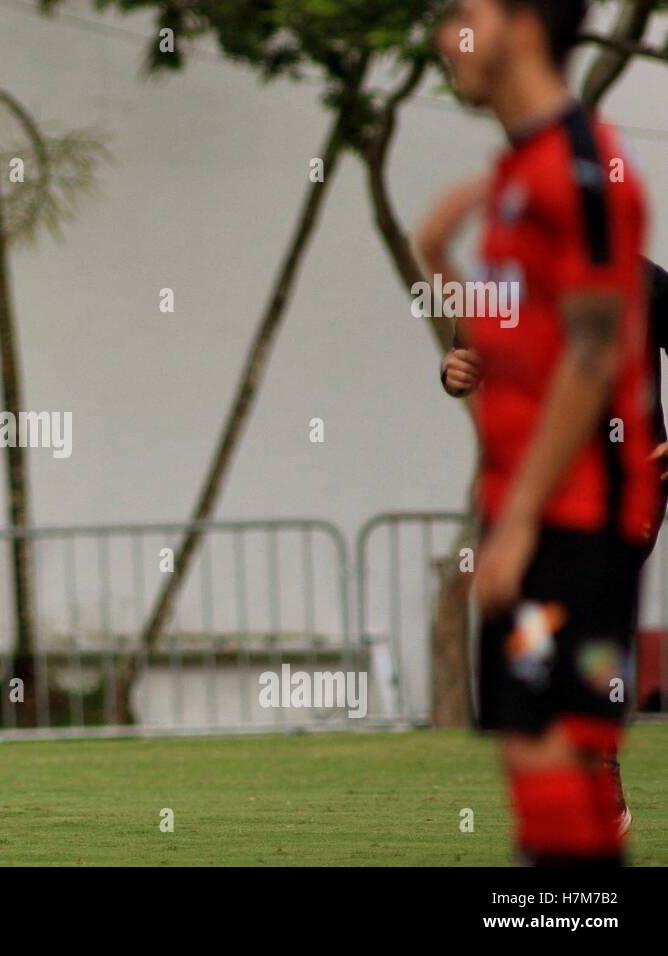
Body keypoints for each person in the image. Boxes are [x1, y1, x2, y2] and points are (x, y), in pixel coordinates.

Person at [423, 0, 656, 864]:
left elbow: (594, 353)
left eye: (462, 14)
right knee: (543, 762)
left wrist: (519, 521)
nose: (446, 35)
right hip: (531, 512)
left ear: (522, 25)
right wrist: (442, 267)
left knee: (562, 752)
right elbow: (520, 355)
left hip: (577, 521)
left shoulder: (585, 171)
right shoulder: (520, 172)